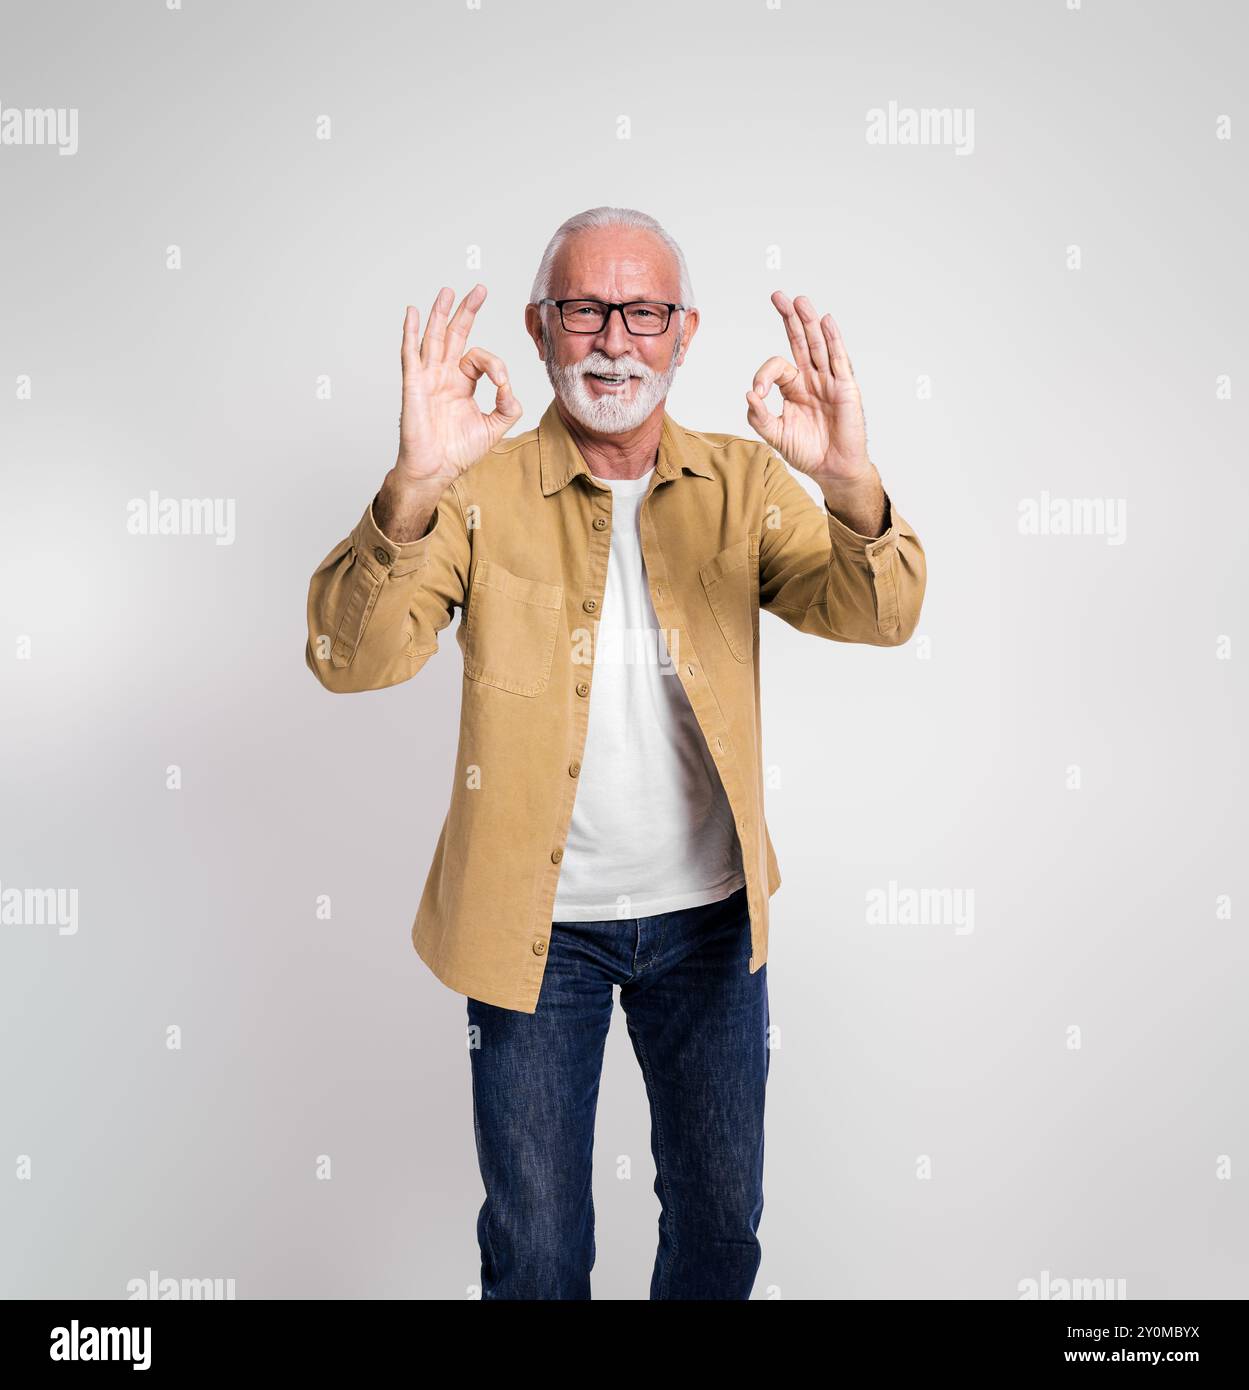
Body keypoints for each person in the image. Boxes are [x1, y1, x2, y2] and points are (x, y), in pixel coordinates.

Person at [304, 206, 927, 1299]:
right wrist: (409, 487)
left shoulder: (742, 483)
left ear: (684, 334)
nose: (612, 339)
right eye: (585, 309)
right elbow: (350, 660)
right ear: (542, 329)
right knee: (538, 1256)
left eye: (642, 312)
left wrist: (848, 485)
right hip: (532, 937)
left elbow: (880, 613)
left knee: (720, 1234)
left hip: (712, 926)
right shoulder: (473, 490)